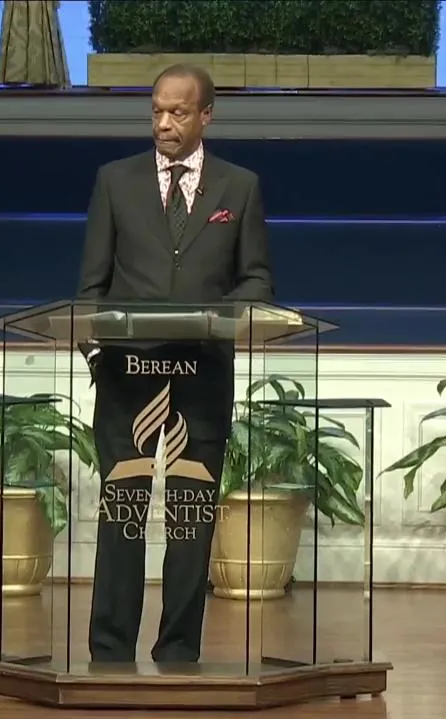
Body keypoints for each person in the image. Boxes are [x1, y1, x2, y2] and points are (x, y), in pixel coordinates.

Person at [75, 63, 274, 664]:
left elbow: (257, 279)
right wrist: (95, 354)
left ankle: (180, 650)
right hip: (126, 374)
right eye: (157, 111)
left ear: (206, 115)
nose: (164, 122)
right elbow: (91, 286)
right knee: (123, 513)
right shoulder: (115, 181)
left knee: (191, 518)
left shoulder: (239, 187)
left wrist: (217, 317)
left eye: (178, 112)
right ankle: (110, 650)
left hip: (201, 373)